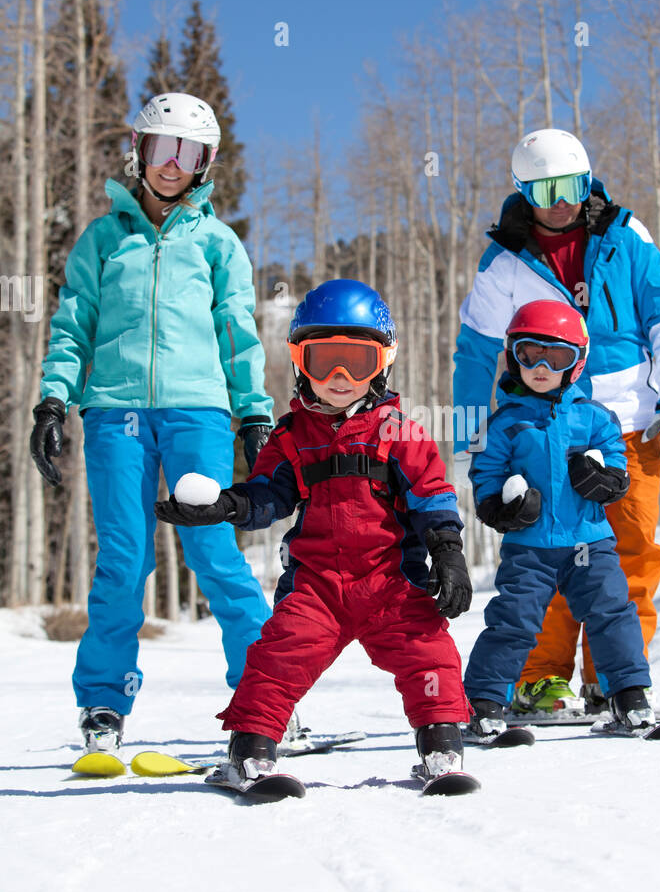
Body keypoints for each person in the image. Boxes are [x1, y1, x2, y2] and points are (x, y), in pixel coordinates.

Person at [154, 279, 474, 789]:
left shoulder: (401, 432)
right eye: (326, 360)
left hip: (391, 581)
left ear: (384, 362)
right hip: (318, 586)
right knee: (277, 657)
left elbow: (432, 497)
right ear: (302, 362)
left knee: (428, 650)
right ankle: (251, 752)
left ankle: (442, 746)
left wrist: (449, 555)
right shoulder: (291, 435)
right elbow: (266, 497)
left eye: (358, 360)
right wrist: (224, 506)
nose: (341, 377)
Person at [31, 92, 275, 756]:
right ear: (137, 152)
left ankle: (264, 697)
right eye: (161, 148)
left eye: (188, 153)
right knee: (124, 559)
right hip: (115, 412)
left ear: (205, 163)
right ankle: (104, 705)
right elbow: (72, 326)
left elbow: (238, 332)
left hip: (198, 410)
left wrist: (254, 411)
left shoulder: (218, 244)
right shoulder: (103, 240)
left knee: (214, 552)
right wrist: (53, 399)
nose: (172, 164)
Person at [453, 127, 660, 713]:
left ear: (588, 181)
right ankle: (541, 679)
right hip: (541, 431)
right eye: (542, 189)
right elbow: (476, 352)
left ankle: (615, 678)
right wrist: (467, 437)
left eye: (569, 185)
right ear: (521, 191)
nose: (558, 200)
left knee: (630, 551)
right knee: (551, 552)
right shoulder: (504, 262)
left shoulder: (625, 234)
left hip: (630, 420)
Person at [463, 300, 653, 735]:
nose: (543, 366)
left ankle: (629, 692)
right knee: (515, 619)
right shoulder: (506, 423)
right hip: (530, 546)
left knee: (611, 611)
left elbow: (617, 461)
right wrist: (498, 506)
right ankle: (486, 700)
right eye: (530, 354)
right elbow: (486, 473)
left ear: (578, 362)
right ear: (514, 355)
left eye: (558, 356)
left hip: (590, 542)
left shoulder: (595, 417)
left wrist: (608, 481)